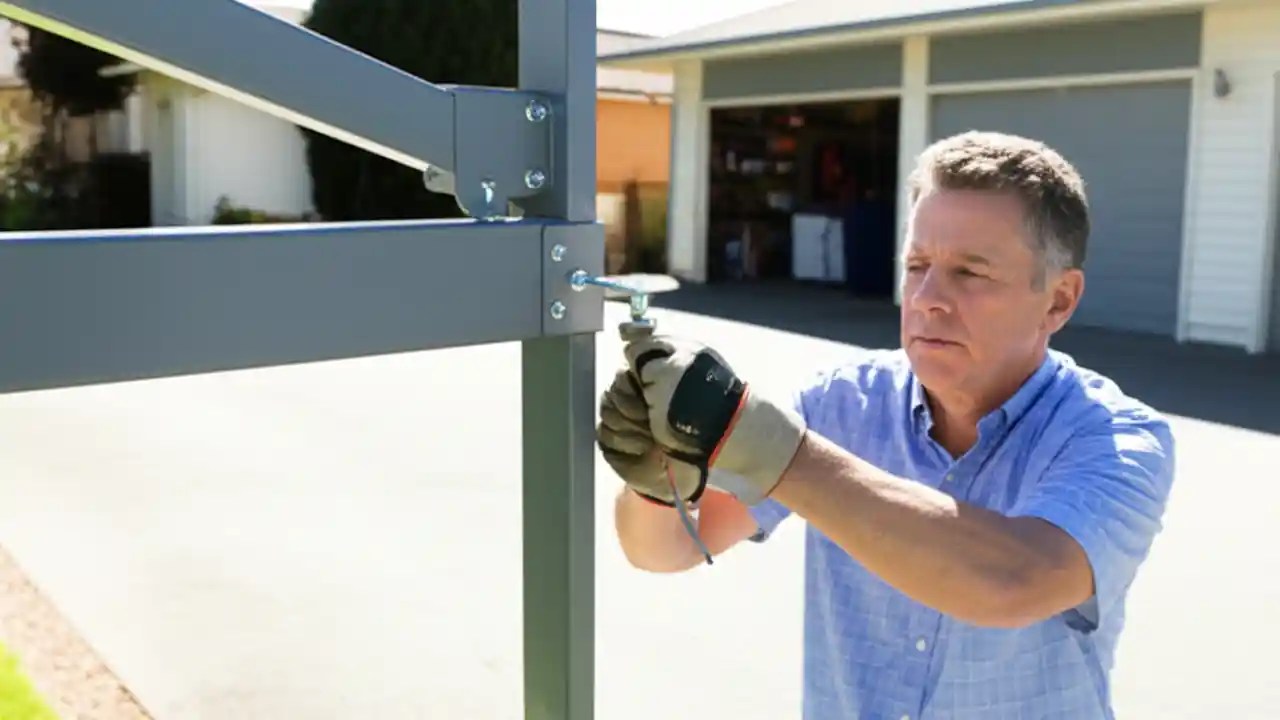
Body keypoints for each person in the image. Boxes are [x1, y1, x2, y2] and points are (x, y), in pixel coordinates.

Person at [596, 130, 1176, 720]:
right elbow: (664, 549)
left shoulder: (1115, 439)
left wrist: (777, 455)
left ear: (1058, 300)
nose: (928, 298)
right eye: (917, 264)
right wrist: (656, 477)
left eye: (970, 273)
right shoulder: (841, 402)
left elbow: (1015, 580)